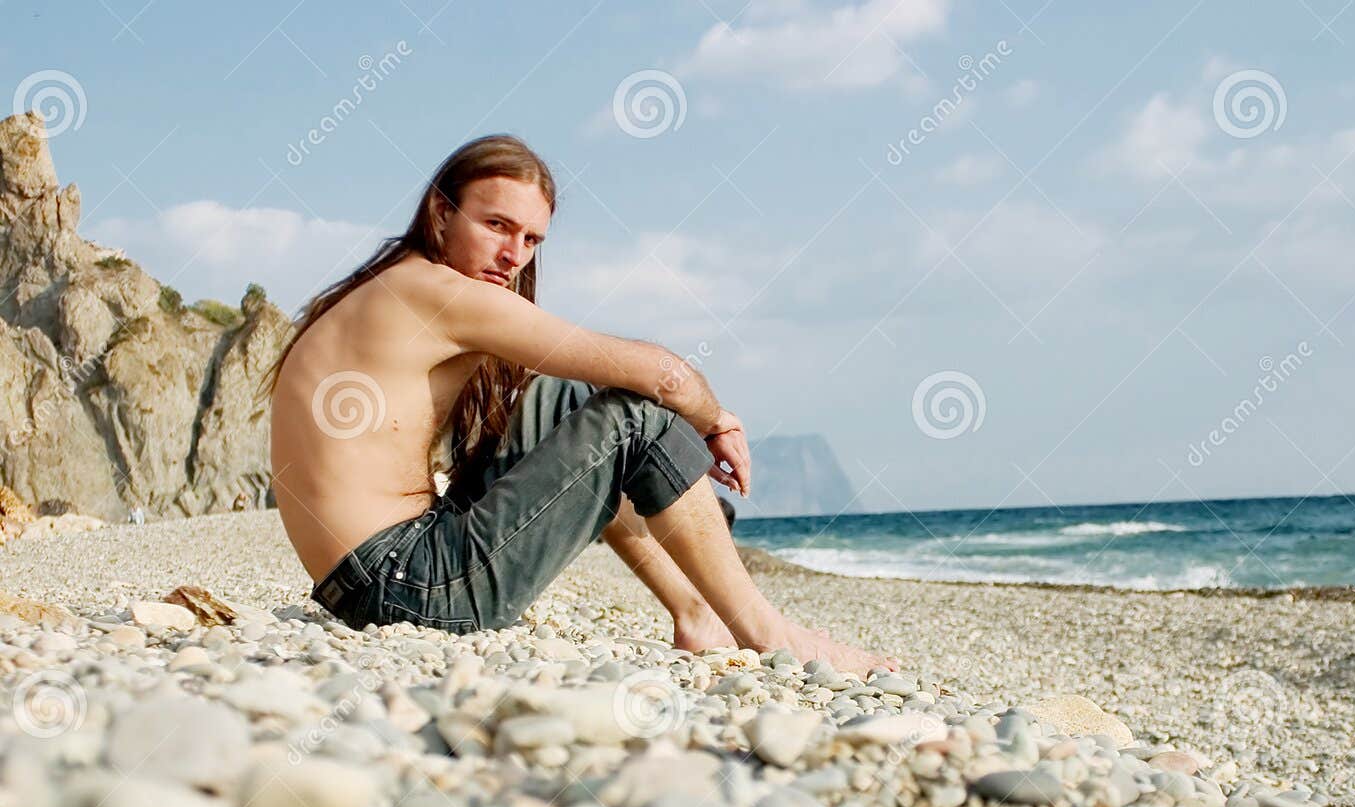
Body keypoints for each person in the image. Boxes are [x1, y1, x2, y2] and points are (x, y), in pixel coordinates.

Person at [261, 132, 896, 675]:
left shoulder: (392, 285)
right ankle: (768, 631)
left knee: (567, 400)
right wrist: (716, 418)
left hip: (372, 579)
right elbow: (659, 376)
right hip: (409, 587)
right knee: (638, 415)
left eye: (533, 239)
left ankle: (697, 612)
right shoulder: (439, 293)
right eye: (497, 225)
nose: (514, 256)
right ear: (442, 211)